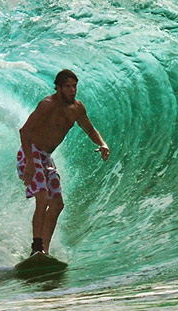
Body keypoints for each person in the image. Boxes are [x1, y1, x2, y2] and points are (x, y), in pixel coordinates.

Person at [17, 69, 109, 256]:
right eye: (67, 86)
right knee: (42, 198)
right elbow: (24, 131)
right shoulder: (47, 105)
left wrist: (102, 144)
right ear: (58, 88)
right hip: (31, 153)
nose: (72, 90)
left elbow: (90, 130)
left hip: (46, 157)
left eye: (74, 86)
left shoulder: (77, 108)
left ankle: (44, 251)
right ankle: (36, 249)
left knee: (57, 204)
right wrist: (29, 163)